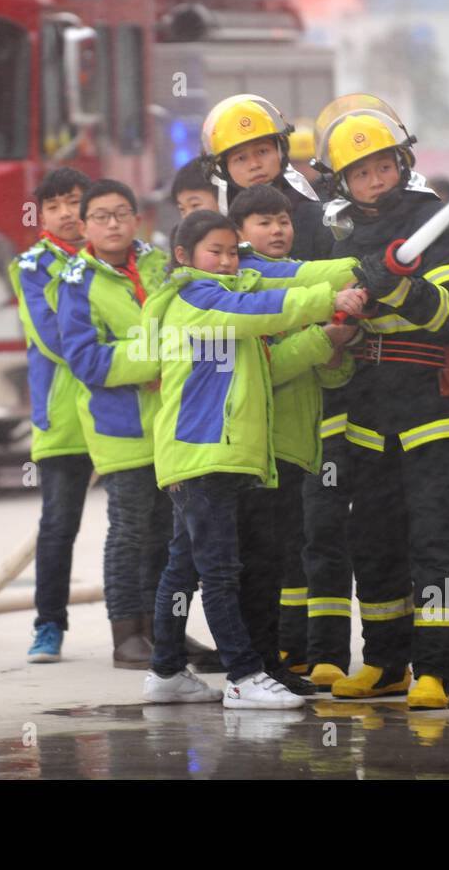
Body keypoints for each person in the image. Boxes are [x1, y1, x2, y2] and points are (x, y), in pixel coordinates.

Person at [141, 210, 367, 708]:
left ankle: (165, 671)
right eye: (213, 252)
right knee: (220, 571)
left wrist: (330, 327)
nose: (224, 261)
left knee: (184, 568)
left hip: (205, 456)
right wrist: (329, 302)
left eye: (230, 251)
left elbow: (272, 351)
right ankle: (244, 676)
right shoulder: (195, 296)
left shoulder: (219, 302)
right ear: (183, 257)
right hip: (205, 455)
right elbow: (266, 309)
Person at [311, 95, 449, 710]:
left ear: (402, 160)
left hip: (434, 407)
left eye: (382, 165)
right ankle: (387, 662)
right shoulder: (342, 234)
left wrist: (403, 289)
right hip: (368, 410)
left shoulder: (438, 222)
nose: (373, 179)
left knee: (436, 540)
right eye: (360, 172)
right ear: (343, 181)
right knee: (374, 539)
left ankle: (436, 669)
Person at [57, 179, 219, 671]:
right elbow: (86, 360)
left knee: (170, 535)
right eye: (101, 216)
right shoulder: (73, 281)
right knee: (129, 531)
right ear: (84, 226)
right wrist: (158, 360)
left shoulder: (158, 263)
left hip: (174, 423)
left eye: (122, 214)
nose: (113, 224)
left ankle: (166, 631)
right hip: (121, 426)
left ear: (137, 219)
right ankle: (126, 635)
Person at [226, 184, 359, 694]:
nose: (278, 230)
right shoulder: (246, 285)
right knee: (257, 564)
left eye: (282, 220)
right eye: (263, 222)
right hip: (259, 450)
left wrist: (335, 352)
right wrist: (322, 338)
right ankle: (249, 667)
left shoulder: (296, 282)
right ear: (240, 235)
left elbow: (327, 377)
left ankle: (272, 663)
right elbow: (267, 368)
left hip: (296, 447)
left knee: (282, 557)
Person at [8, 168, 96, 663]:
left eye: (75, 202)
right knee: (59, 526)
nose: (66, 214)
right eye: (55, 206)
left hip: (127, 414)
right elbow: (56, 339)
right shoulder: (32, 266)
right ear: (41, 215)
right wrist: (124, 362)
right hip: (65, 417)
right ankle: (48, 626)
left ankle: (149, 631)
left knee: (145, 530)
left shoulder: (123, 260)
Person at [199, 93, 335, 260]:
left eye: (262, 151)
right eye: (241, 158)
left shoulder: (315, 217)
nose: (255, 164)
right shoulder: (217, 229)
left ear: (280, 153)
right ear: (225, 169)